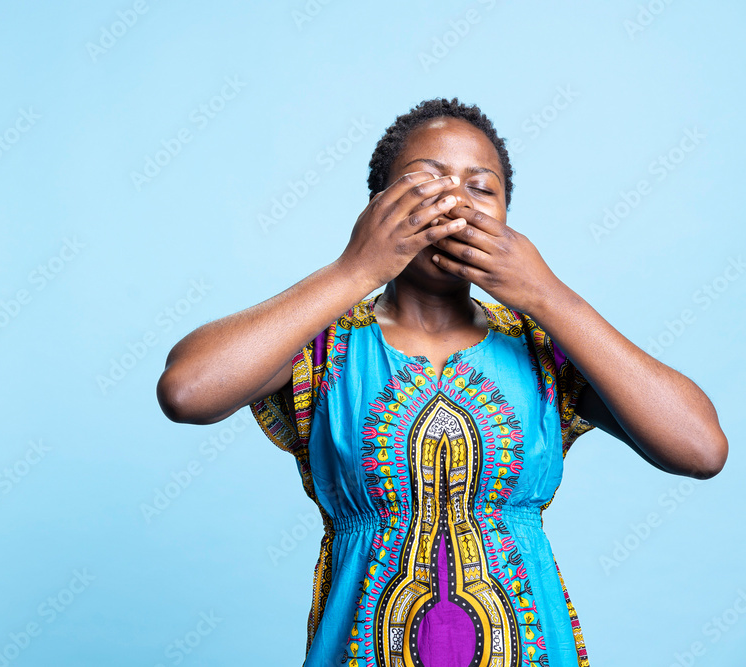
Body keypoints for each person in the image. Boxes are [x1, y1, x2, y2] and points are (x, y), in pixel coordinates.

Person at [156, 97, 728, 667]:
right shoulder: (325, 348)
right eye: (424, 184)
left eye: (481, 189)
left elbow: (700, 449)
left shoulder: (541, 347)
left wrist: (547, 295)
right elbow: (187, 390)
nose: (454, 204)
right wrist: (355, 269)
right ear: (377, 207)